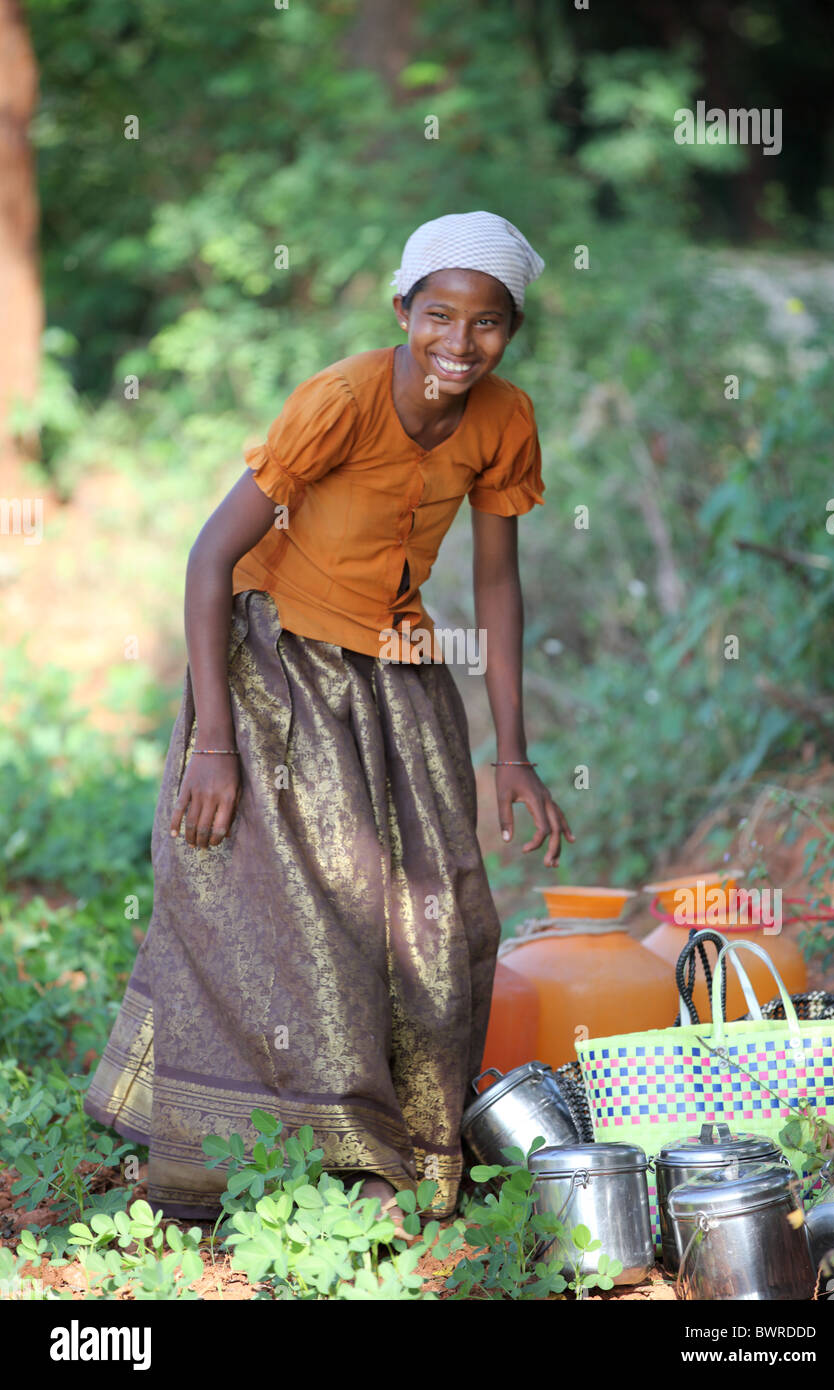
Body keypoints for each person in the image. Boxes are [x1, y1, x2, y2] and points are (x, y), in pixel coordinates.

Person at [84, 210, 574, 1230]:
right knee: (287, 918)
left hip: (395, 676)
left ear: (511, 331)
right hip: (271, 672)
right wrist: (212, 746)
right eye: (437, 314)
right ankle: (245, 1169)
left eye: (487, 323)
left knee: (434, 914)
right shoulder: (342, 400)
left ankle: (405, 1159)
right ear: (402, 311)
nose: (458, 342)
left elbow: (496, 584)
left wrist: (512, 752)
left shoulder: (503, 419)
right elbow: (209, 560)